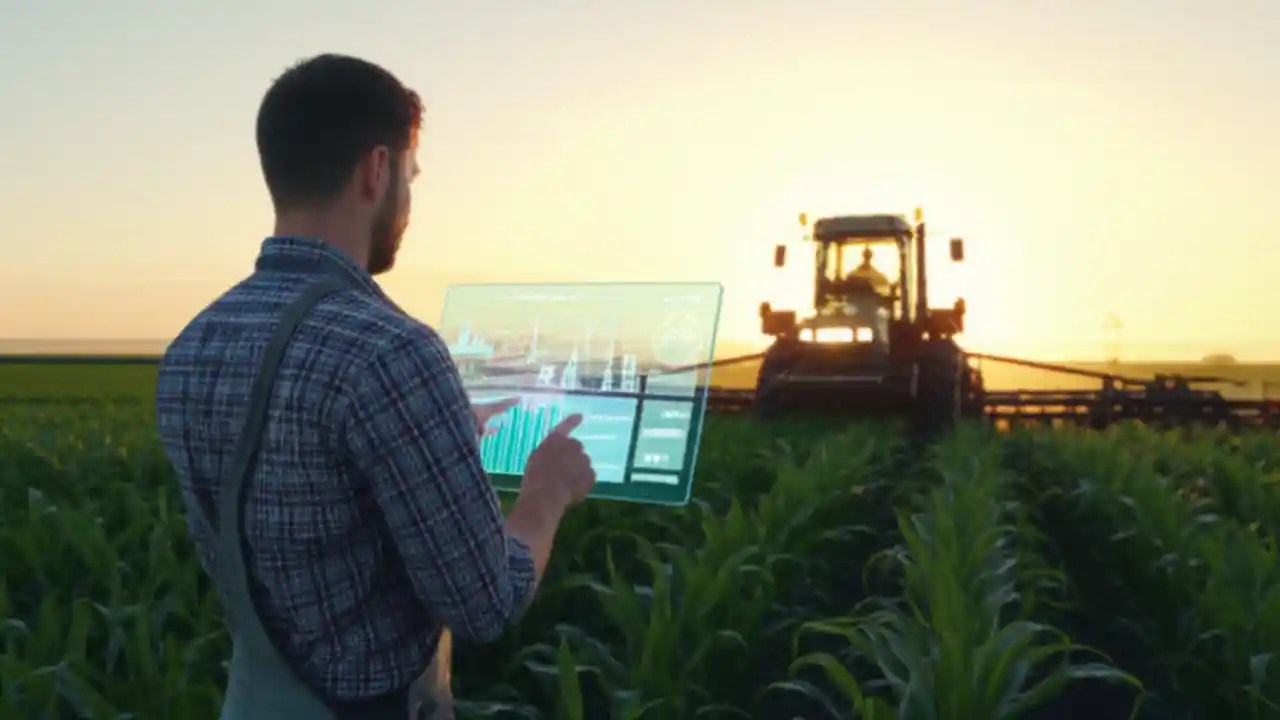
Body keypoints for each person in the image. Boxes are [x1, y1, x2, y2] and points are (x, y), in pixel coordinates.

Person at [154, 54, 597, 719]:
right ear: (378, 169)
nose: (410, 201)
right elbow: (485, 602)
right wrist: (546, 492)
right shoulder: (393, 350)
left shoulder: (193, 344)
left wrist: (434, 437)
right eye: (411, 178)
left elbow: (296, 491)